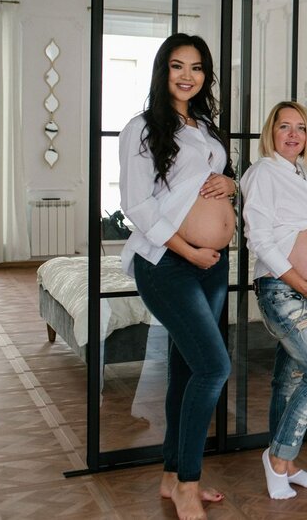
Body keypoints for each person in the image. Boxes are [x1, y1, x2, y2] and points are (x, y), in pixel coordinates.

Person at [118, 34, 235, 520]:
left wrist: (232, 181)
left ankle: (172, 476)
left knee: (188, 370)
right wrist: (189, 248)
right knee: (214, 367)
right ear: (162, 71)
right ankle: (189, 482)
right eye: (177, 66)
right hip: (167, 262)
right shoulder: (141, 128)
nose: (188, 75)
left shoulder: (205, 127)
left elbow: (213, 183)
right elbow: (137, 205)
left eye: (197, 67)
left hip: (210, 263)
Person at [241, 101, 307, 499]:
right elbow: (260, 240)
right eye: (284, 126)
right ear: (270, 132)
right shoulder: (263, 172)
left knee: (290, 379)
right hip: (282, 289)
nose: (292, 134)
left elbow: (304, 230)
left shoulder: (302, 174)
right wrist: (302, 281)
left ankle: (287, 465)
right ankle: (278, 458)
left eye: (300, 127)